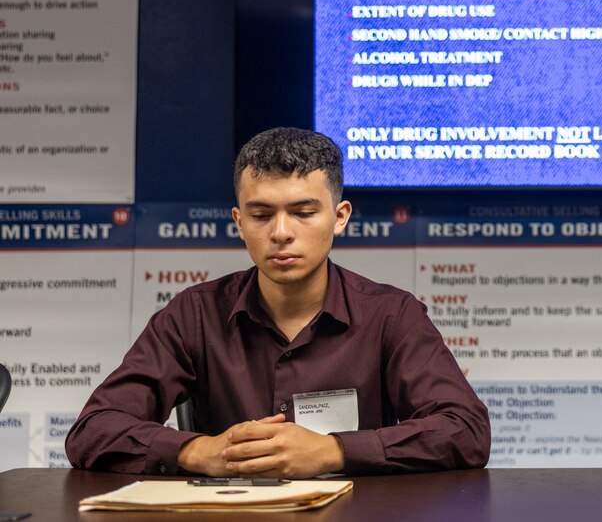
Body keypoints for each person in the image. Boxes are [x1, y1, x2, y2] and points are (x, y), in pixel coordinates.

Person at [66, 127, 490, 477]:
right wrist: (198, 451)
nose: (281, 232)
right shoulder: (194, 314)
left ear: (339, 217)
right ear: (238, 222)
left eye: (304, 212)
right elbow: (93, 431)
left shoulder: (391, 314)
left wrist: (332, 452)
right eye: (261, 214)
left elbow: (466, 430)